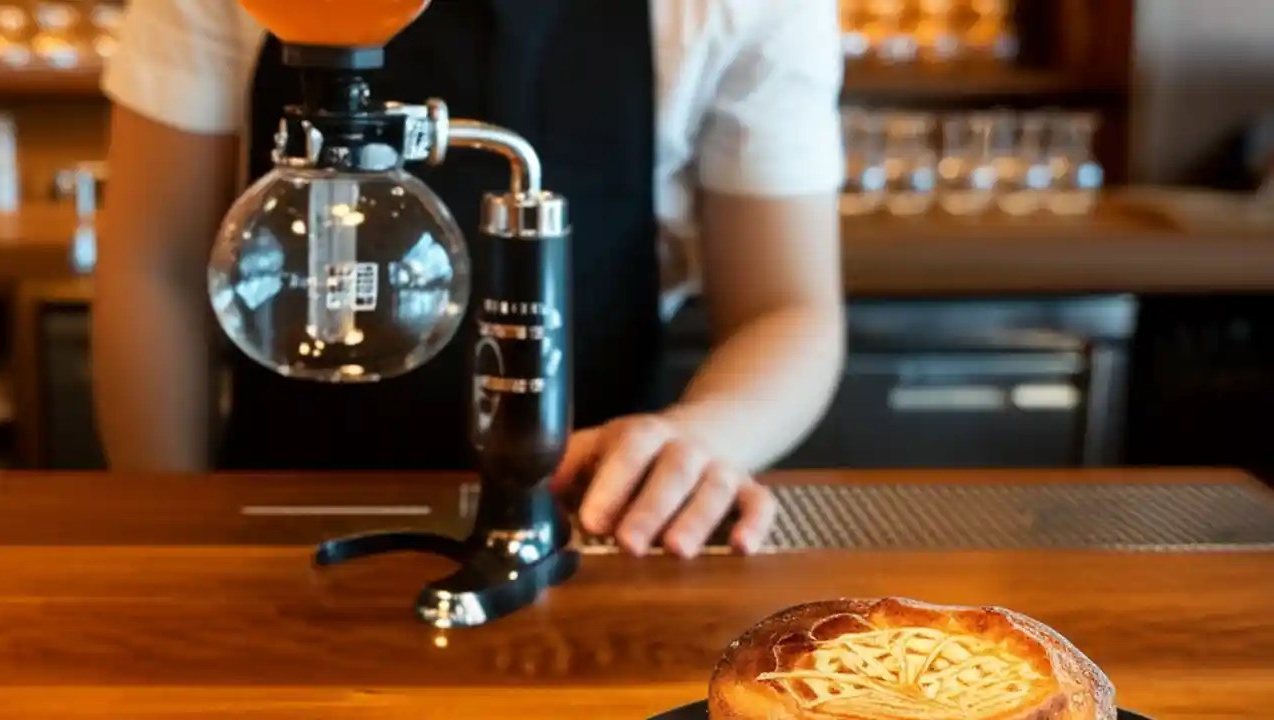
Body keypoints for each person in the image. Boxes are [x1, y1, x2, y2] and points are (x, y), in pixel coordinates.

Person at [95, 0, 846, 559]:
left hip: (599, 521)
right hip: (279, 514)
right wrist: (171, 535)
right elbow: (154, 268)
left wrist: (698, 439)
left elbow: (789, 308)